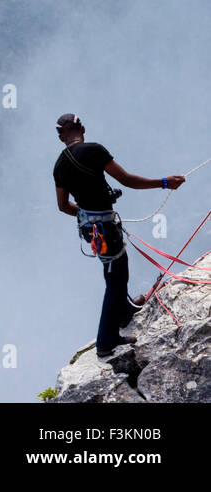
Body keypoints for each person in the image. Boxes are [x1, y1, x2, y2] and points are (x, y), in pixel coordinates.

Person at [52, 113, 185, 357]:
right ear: (81, 127)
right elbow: (126, 180)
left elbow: (63, 205)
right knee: (116, 277)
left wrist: (86, 214)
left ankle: (124, 311)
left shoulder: (59, 165)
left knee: (113, 270)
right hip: (104, 228)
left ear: (61, 135)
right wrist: (165, 182)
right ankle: (106, 341)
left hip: (90, 230)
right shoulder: (93, 151)